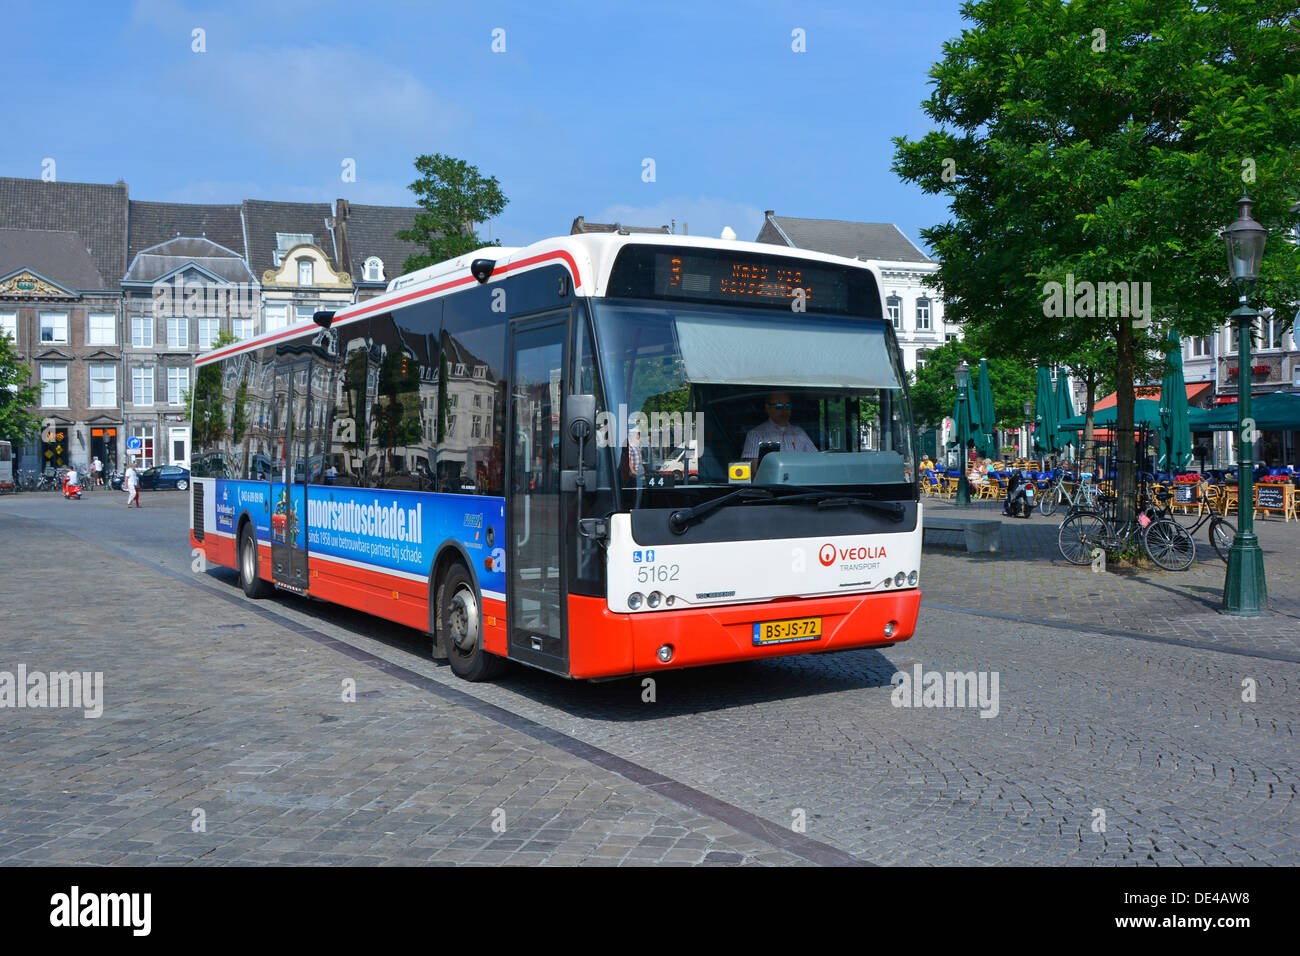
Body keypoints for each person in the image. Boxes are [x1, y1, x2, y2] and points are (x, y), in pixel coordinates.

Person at [742, 391, 817, 464]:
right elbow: (753, 470)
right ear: (768, 408)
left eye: (788, 406)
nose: (784, 411)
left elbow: (815, 460)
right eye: (779, 406)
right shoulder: (755, 435)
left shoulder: (799, 433)